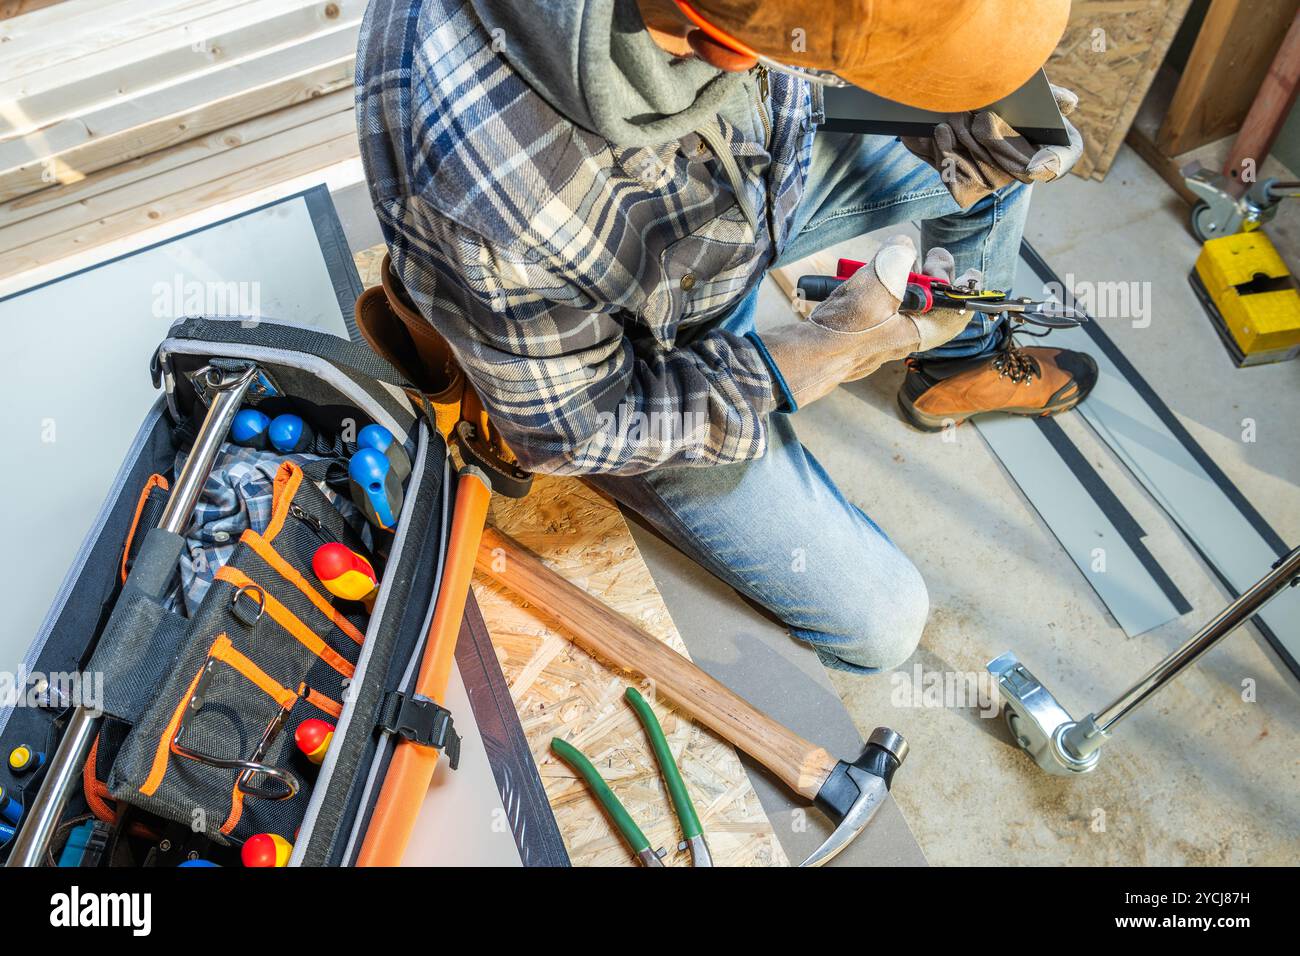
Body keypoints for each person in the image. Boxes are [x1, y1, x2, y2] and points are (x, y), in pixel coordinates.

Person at [354, 0, 1092, 673]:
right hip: (635, 354)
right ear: (728, 50)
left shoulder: (731, 27)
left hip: (737, 190)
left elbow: (796, 63)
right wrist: (797, 363)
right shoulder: (490, 197)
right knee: (883, 623)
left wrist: (929, 102)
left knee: (1002, 158)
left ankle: (954, 362)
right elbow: (576, 427)